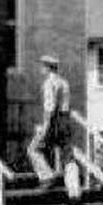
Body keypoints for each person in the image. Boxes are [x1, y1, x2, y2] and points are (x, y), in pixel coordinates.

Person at [28, 53, 71, 184]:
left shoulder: (49, 83)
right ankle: (58, 171)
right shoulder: (64, 82)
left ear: (48, 68)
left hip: (52, 121)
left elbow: (50, 108)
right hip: (63, 122)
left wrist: (45, 127)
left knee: (32, 149)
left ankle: (47, 176)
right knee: (59, 148)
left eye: (43, 66)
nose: (41, 69)